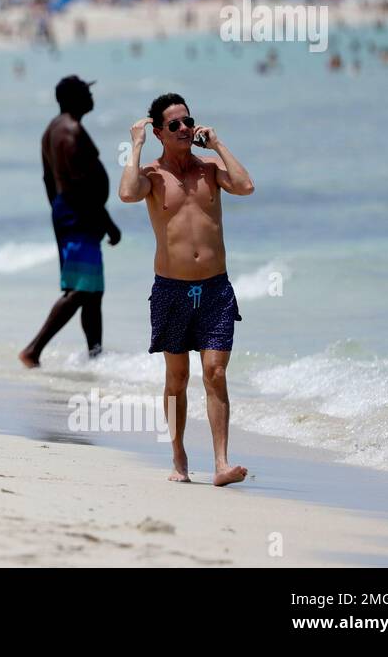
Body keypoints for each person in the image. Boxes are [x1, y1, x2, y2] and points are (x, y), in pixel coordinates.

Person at [118, 93, 254, 487]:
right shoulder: (153, 176)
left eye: (187, 121)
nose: (183, 129)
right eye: (174, 125)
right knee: (177, 377)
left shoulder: (210, 169)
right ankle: (178, 454)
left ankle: (222, 463)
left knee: (215, 372)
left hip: (215, 289)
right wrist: (137, 145)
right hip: (172, 290)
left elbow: (245, 186)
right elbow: (127, 193)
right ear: (160, 131)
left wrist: (218, 144)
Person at [19, 76, 120, 366]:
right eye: (86, 91)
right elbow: (80, 185)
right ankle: (33, 350)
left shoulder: (51, 130)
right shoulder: (70, 132)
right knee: (81, 288)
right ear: (74, 98)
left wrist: (59, 211)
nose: (91, 95)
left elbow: (48, 179)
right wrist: (107, 221)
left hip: (68, 211)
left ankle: (96, 357)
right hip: (79, 212)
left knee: (93, 291)